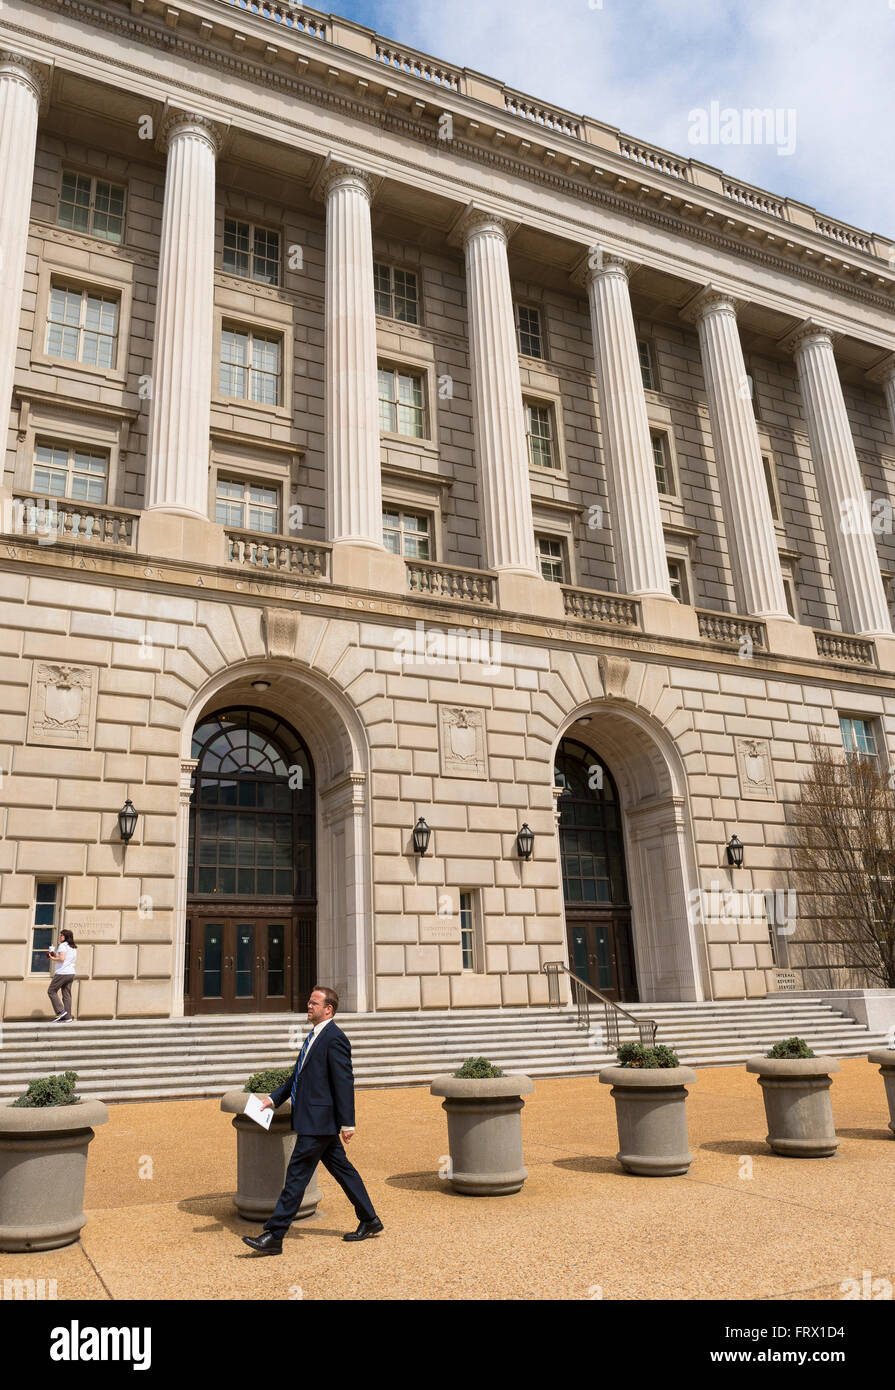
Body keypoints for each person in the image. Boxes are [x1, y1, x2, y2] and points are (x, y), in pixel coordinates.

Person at [242, 986, 383, 1255]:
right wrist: (272, 1099)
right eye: (308, 1002)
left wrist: (348, 1123)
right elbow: (296, 1076)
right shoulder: (314, 1036)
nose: (309, 1006)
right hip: (316, 1121)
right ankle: (370, 1219)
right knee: (343, 1171)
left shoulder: (335, 1038)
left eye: (313, 1003)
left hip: (319, 1122)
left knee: (296, 1175)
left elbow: (344, 1083)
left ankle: (275, 1235)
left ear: (328, 1009)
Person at [46, 929, 77, 1022]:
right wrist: (56, 956)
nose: (60, 937)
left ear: (66, 937)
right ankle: (68, 1017)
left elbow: (62, 959)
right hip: (71, 973)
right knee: (67, 995)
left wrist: (52, 957)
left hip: (62, 973)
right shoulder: (73, 947)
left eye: (61, 936)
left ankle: (60, 1011)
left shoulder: (63, 945)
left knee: (51, 991)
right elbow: (65, 958)